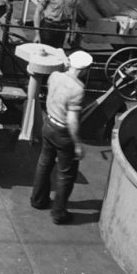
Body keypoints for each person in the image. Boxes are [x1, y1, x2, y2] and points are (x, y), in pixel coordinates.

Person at [31, 49, 92, 224]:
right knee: (66, 174)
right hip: (63, 134)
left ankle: (38, 200)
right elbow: (72, 120)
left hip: (48, 125)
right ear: (84, 69)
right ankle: (58, 214)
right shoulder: (78, 89)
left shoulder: (54, 76)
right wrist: (78, 144)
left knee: (44, 163)